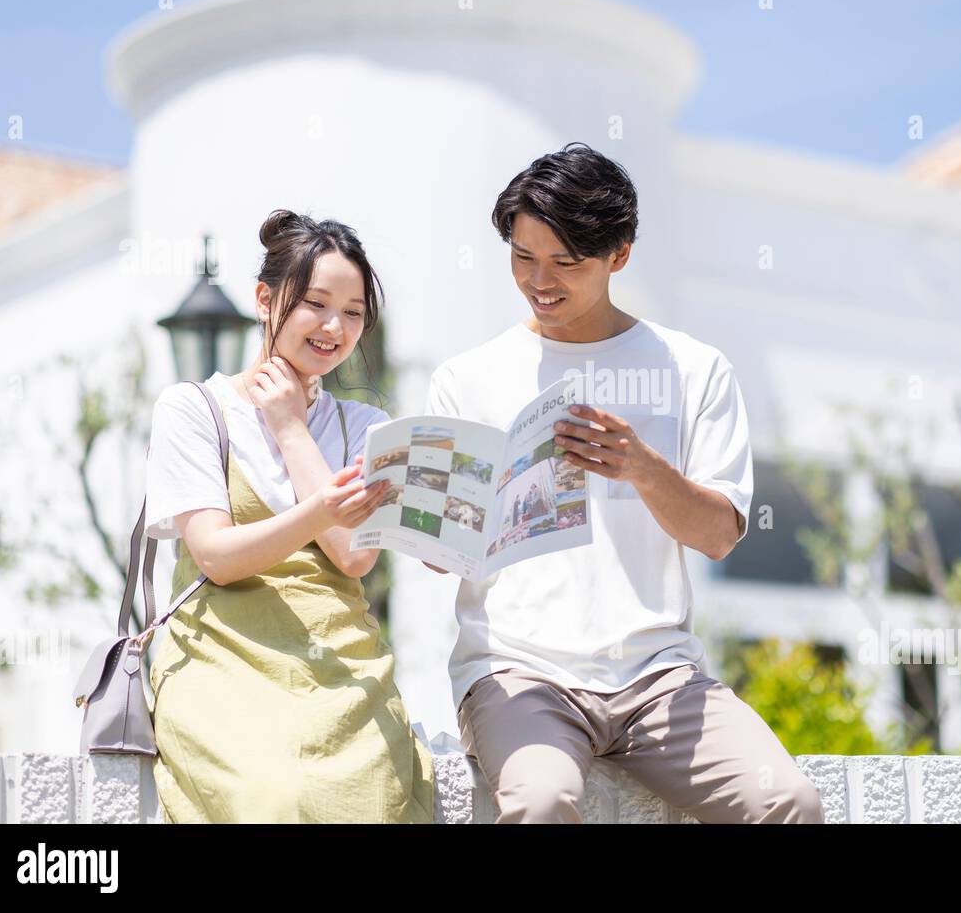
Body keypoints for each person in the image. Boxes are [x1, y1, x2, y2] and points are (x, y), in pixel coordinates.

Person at [424, 143, 824, 823]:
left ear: (620, 254)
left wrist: (641, 466)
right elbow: (440, 555)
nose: (539, 281)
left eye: (565, 263)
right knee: (544, 801)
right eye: (523, 257)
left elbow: (720, 535)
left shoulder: (692, 369)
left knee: (786, 802)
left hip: (660, 678)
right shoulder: (469, 378)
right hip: (519, 672)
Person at [144, 209, 435, 823]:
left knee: (370, 795)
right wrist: (321, 509)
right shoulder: (195, 409)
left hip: (339, 662)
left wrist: (290, 427)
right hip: (221, 653)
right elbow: (217, 557)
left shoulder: (364, 426)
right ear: (265, 300)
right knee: (269, 796)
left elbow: (354, 555)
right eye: (316, 304)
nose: (335, 326)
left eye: (354, 312)